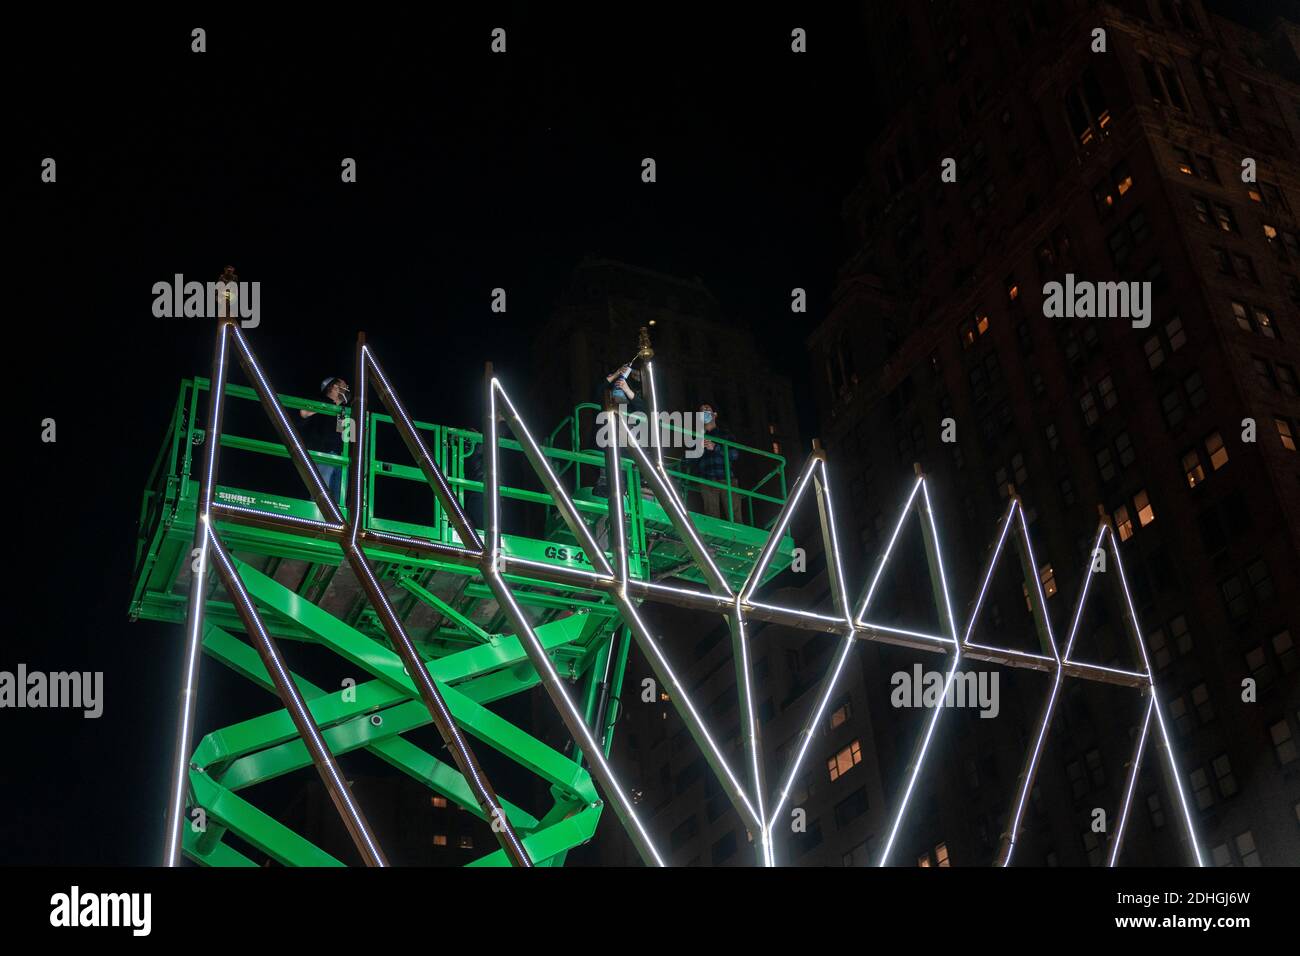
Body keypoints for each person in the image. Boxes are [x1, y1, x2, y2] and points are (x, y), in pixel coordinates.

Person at [592, 363, 645, 497]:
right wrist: (615, 375)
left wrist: (627, 389)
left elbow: (644, 409)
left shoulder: (632, 394)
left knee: (625, 465)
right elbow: (596, 391)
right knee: (608, 461)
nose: (619, 385)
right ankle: (604, 485)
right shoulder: (607, 393)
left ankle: (625, 490)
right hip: (608, 435)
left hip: (628, 437)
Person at [298, 377, 350, 505]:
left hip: (341, 458)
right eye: (344, 386)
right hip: (322, 454)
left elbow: (348, 437)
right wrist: (326, 406)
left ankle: (334, 522)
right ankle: (316, 521)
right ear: (334, 387)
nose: (347, 389)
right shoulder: (320, 401)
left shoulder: (344, 410)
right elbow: (303, 413)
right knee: (321, 495)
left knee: (338, 499)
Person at [690, 402, 738, 518]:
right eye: (702, 411)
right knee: (712, 517)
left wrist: (715, 447)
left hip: (727, 480)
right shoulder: (697, 437)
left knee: (735, 517)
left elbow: (734, 454)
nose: (704, 412)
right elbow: (690, 460)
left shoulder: (725, 434)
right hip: (707, 481)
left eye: (707, 409)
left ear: (714, 415)